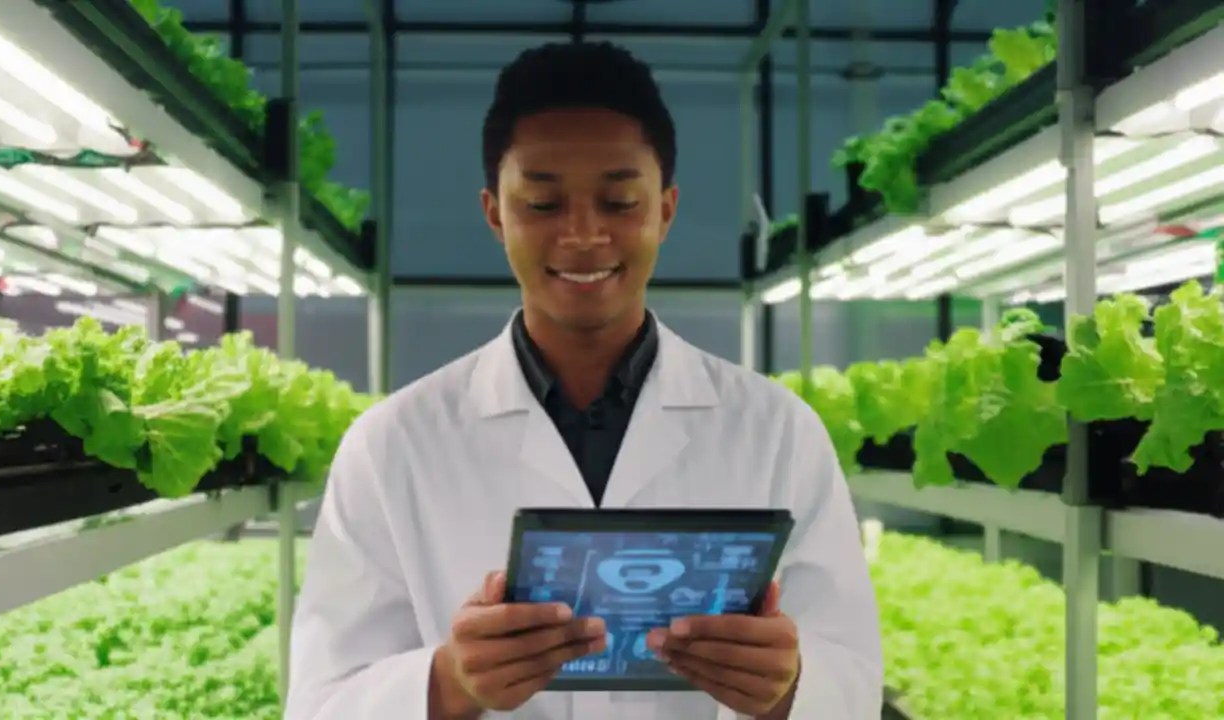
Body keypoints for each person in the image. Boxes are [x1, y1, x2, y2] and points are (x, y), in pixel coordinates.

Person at [284, 41, 882, 720]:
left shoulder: (779, 432)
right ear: (494, 213)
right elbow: (319, 704)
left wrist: (789, 688)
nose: (583, 234)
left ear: (665, 209)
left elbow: (853, 679)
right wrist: (449, 681)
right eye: (541, 204)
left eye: (620, 200)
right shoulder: (392, 445)